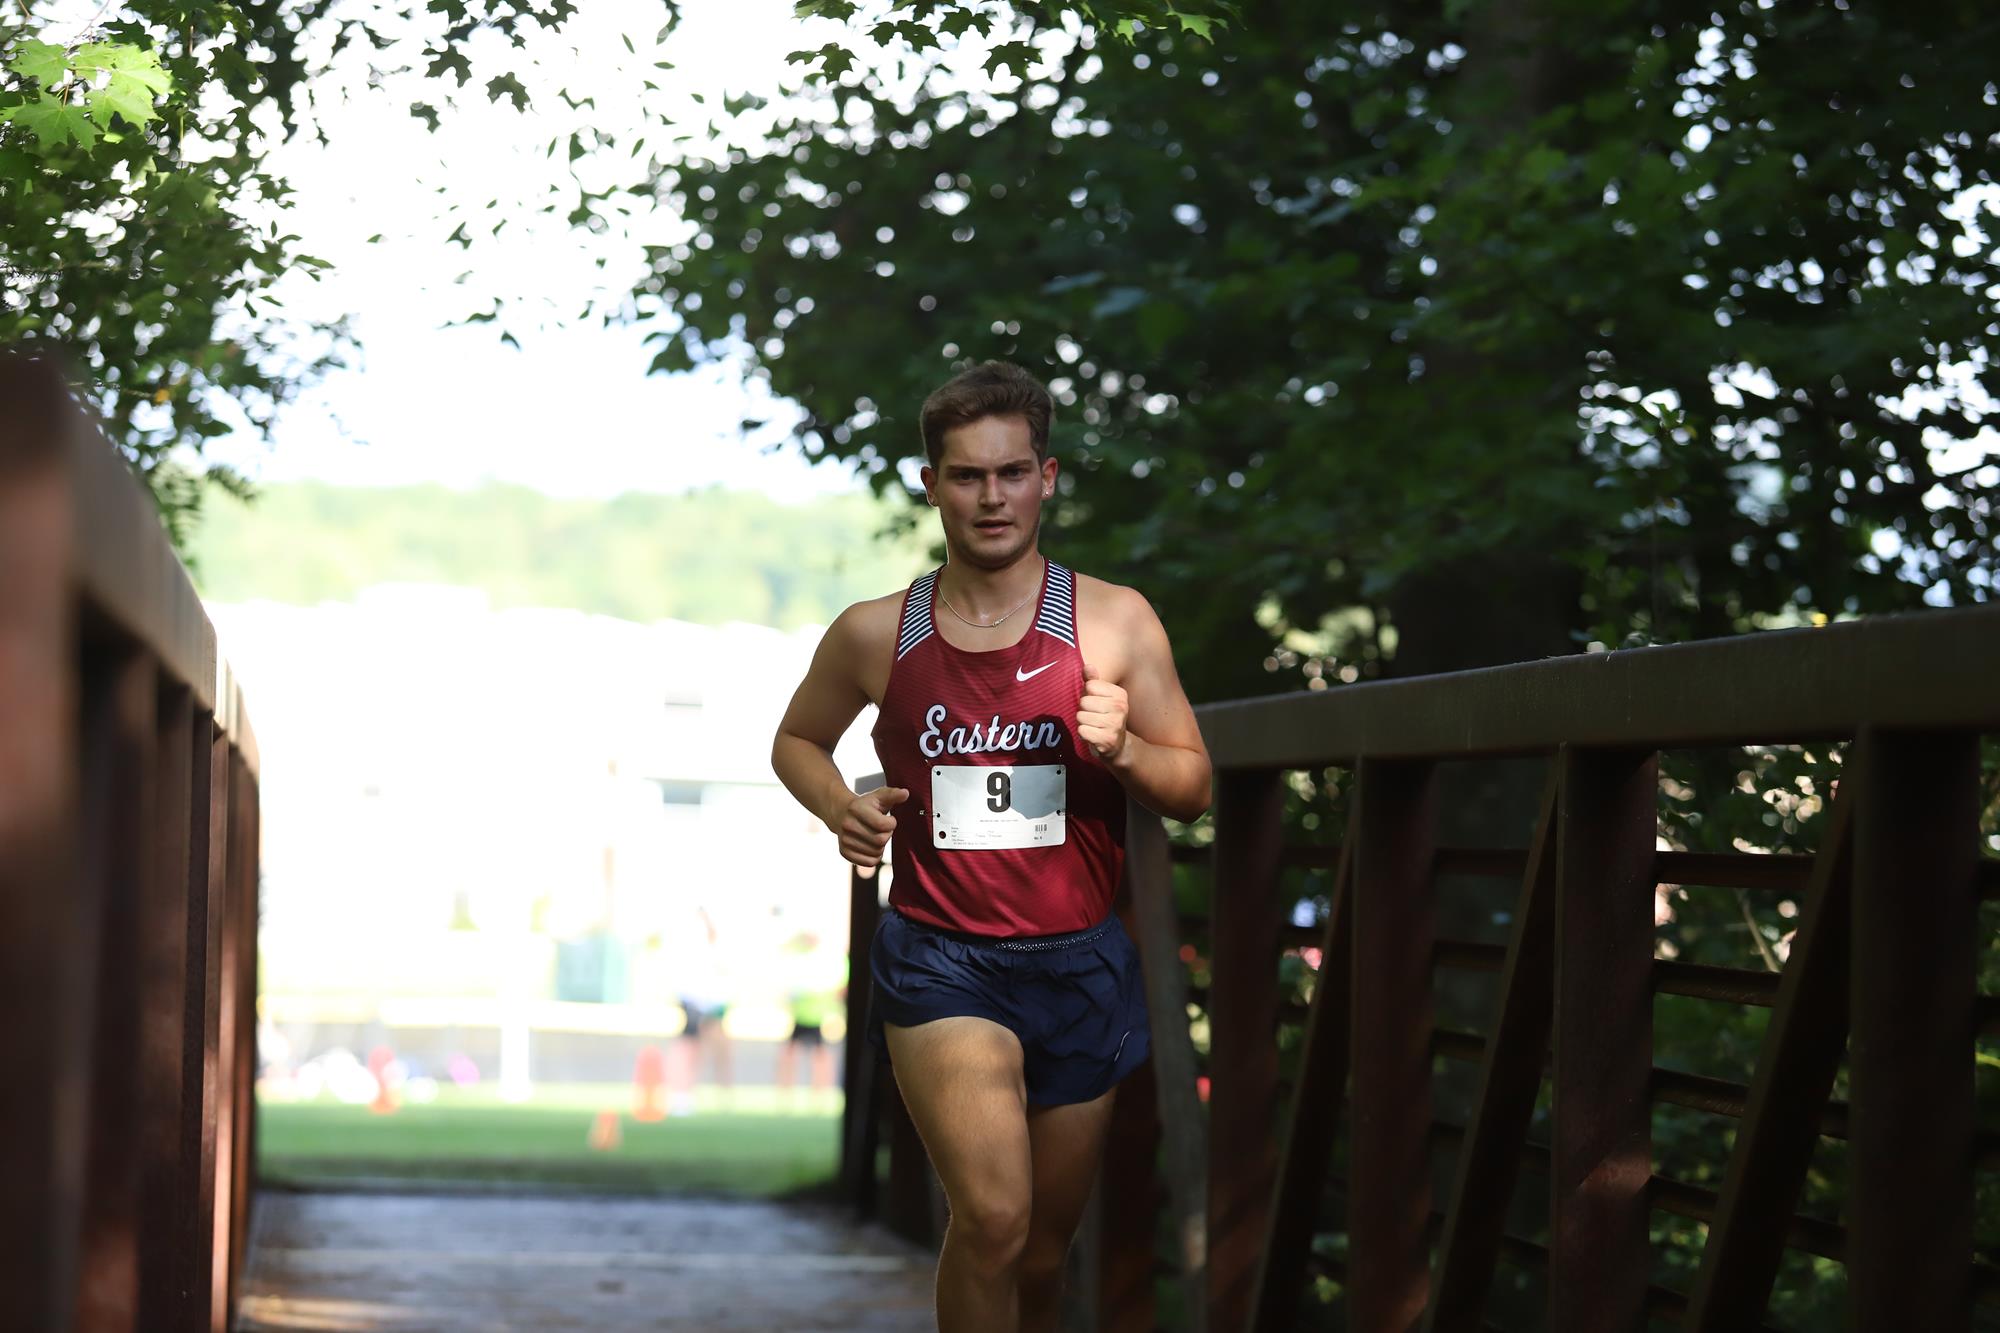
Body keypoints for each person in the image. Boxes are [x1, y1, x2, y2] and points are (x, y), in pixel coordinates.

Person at [771, 361, 1211, 1332]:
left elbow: (1192, 784)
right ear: (930, 484)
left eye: (1010, 472)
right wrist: (839, 802)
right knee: (992, 1215)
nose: (991, 496)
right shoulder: (876, 631)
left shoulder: (1112, 620)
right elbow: (796, 740)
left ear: (1046, 476)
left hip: (1078, 963)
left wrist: (1125, 748)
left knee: (1041, 1248)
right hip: (942, 956)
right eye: (966, 476)